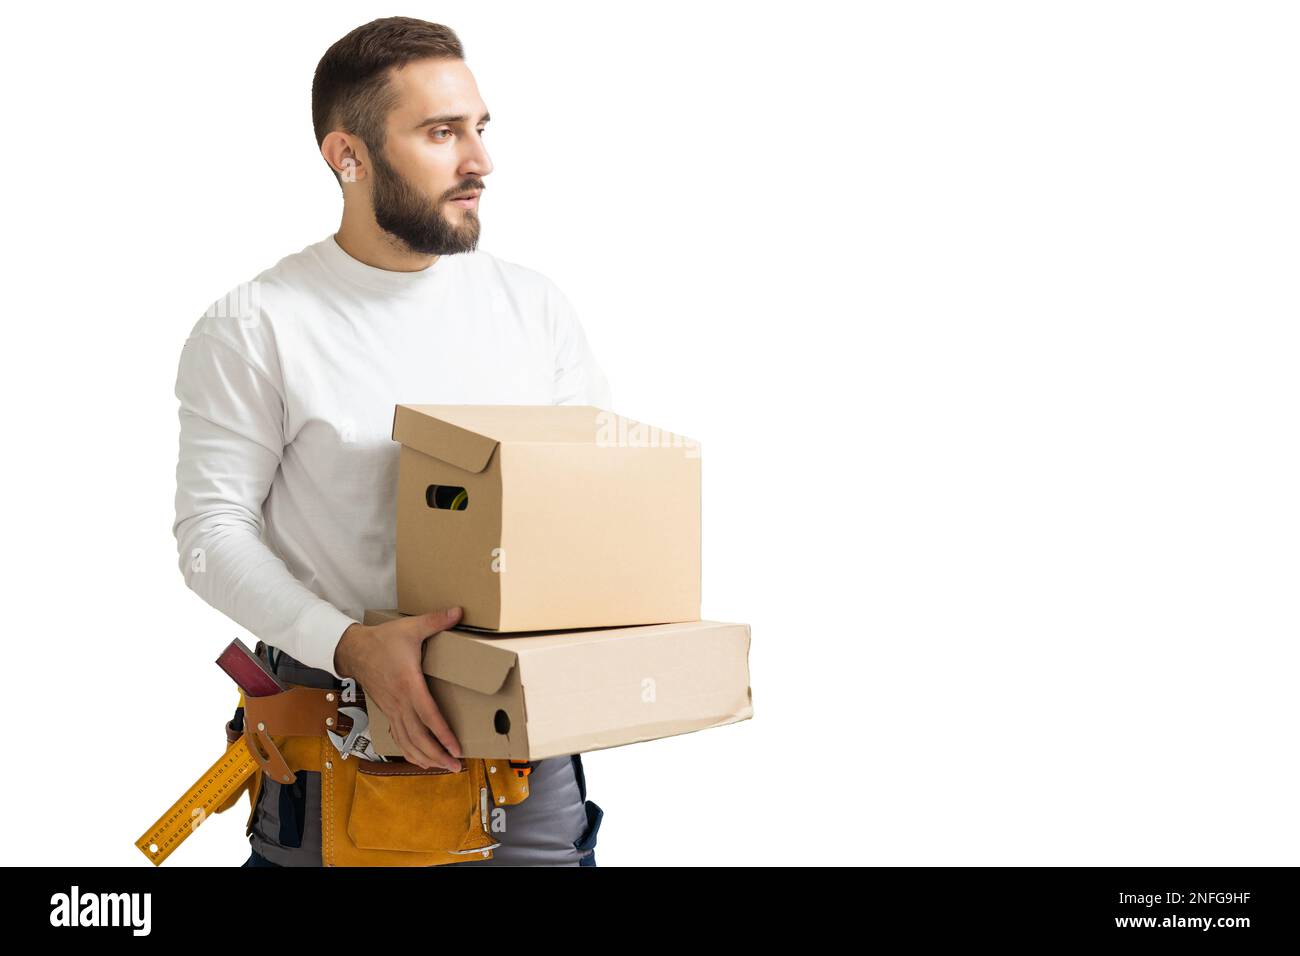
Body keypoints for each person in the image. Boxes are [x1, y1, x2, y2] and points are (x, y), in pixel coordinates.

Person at [174, 16, 608, 866]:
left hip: (529, 750)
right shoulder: (256, 324)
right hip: (340, 744)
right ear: (348, 155)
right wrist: (352, 645)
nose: (479, 161)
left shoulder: (534, 308)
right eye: (441, 133)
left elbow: (589, 506)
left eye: (479, 128)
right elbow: (208, 536)